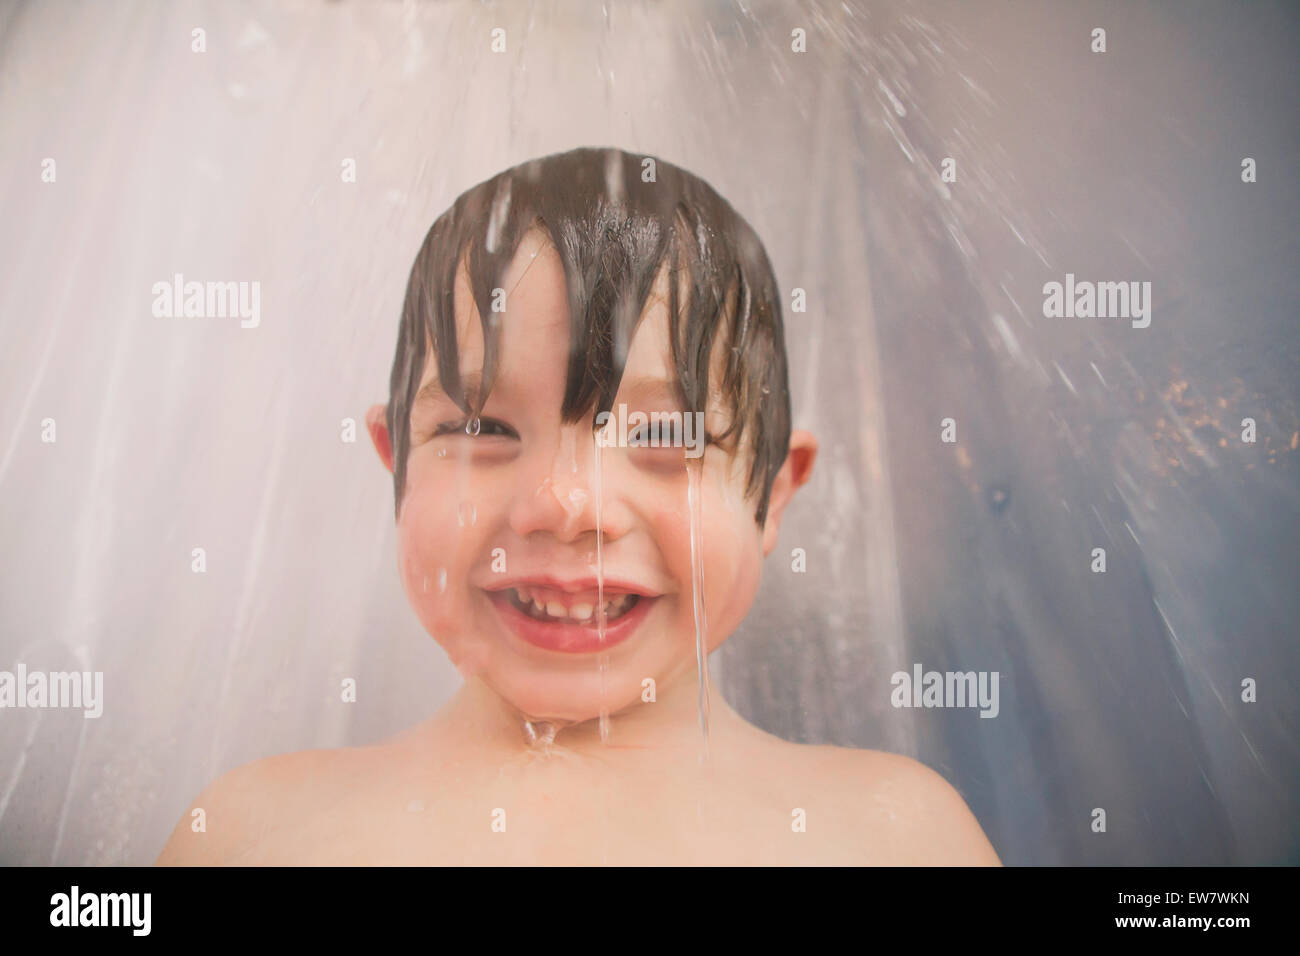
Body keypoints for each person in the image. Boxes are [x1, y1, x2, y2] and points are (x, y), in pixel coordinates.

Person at [157, 147, 1000, 865]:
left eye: (666, 436)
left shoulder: (895, 840)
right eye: (483, 425)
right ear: (397, 465)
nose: (565, 505)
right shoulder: (253, 837)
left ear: (775, 493)